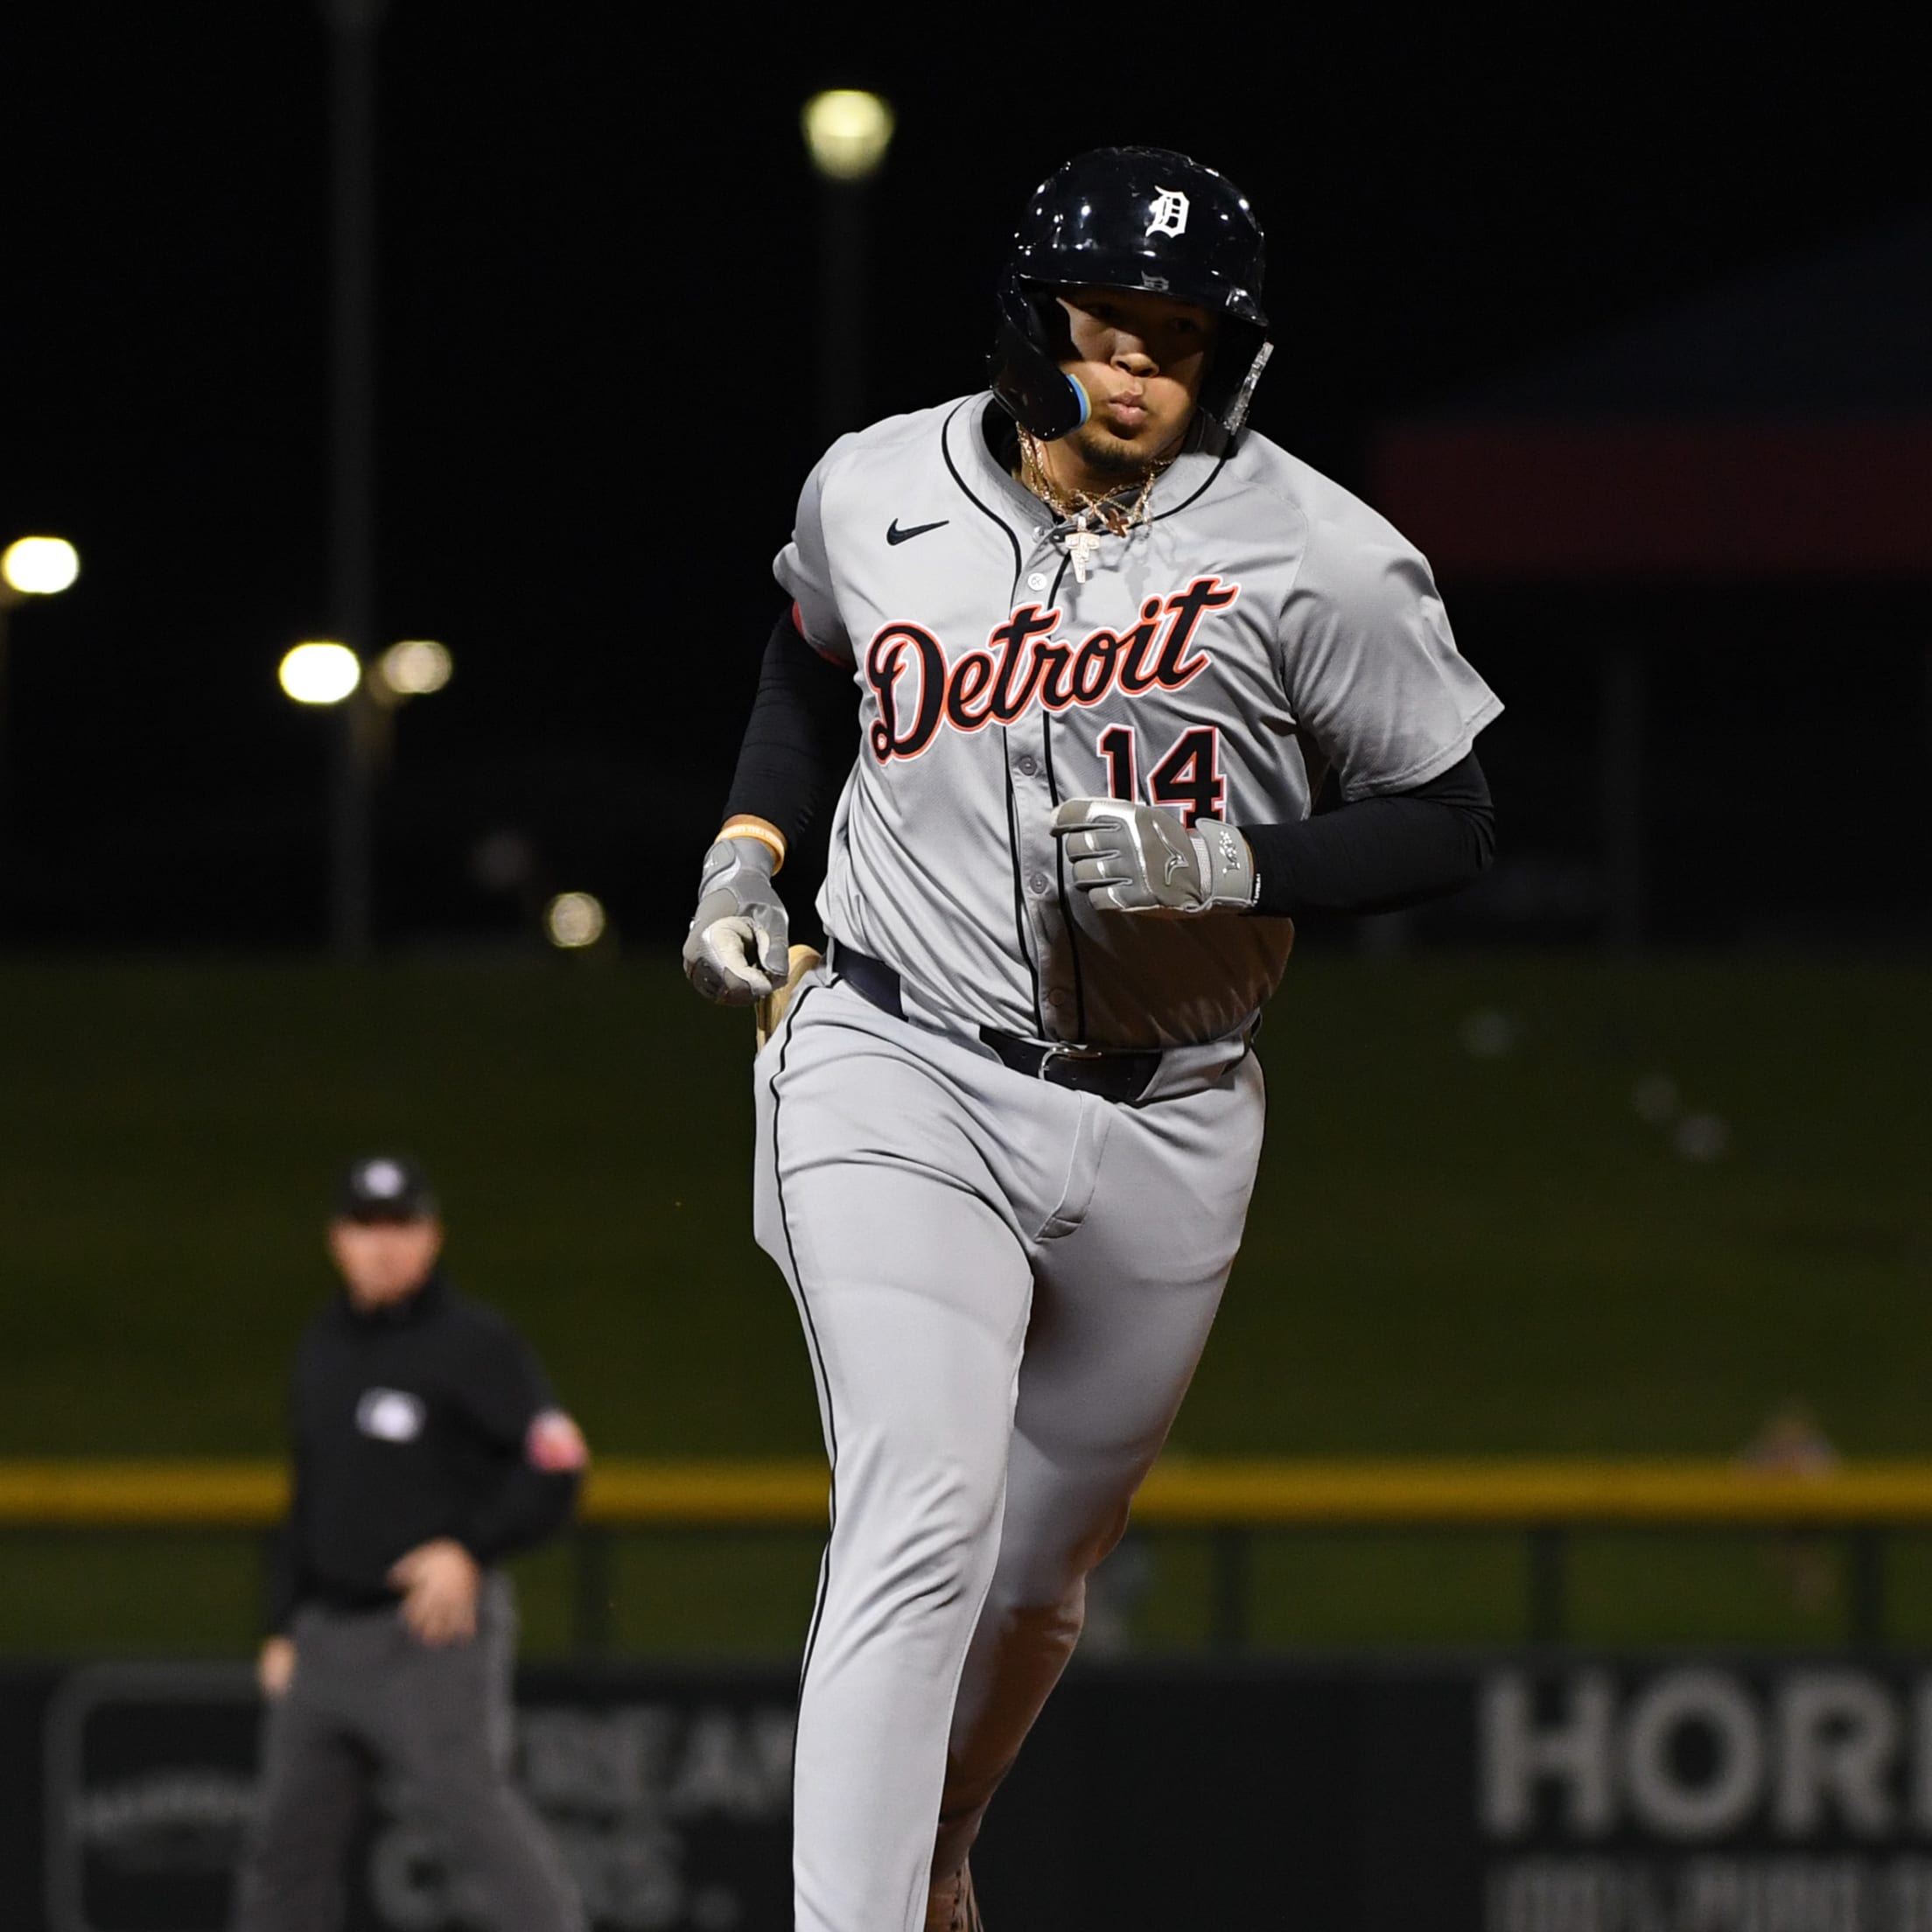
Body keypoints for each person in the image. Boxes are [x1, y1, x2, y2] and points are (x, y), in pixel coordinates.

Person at [682, 146, 1500, 1932]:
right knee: (923, 1502)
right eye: (1108, 326)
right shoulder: (878, 483)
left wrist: (1239, 861)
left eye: (1179, 341)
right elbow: (807, 660)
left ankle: (945, 1843)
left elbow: (1451, 817)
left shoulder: (1321, 555)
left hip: (1174, 1110)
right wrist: (750, 849)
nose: (1138, 369)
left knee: (1043, 1570)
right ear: (1032, 317)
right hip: (895, 1053)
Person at [231, 1152, 589, 1932]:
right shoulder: (322, 1344)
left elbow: (557, 1467)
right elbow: (309, 1492)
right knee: (283, 1855)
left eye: (401, 1225)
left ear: (432, 1237)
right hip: (325, 1637)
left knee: (476, 1825)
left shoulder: (472, 1343)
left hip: (428, 1638)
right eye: (366, 1226)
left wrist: (468, 1546)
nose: (383, 1245)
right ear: (338, 1239)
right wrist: (280, 1620)